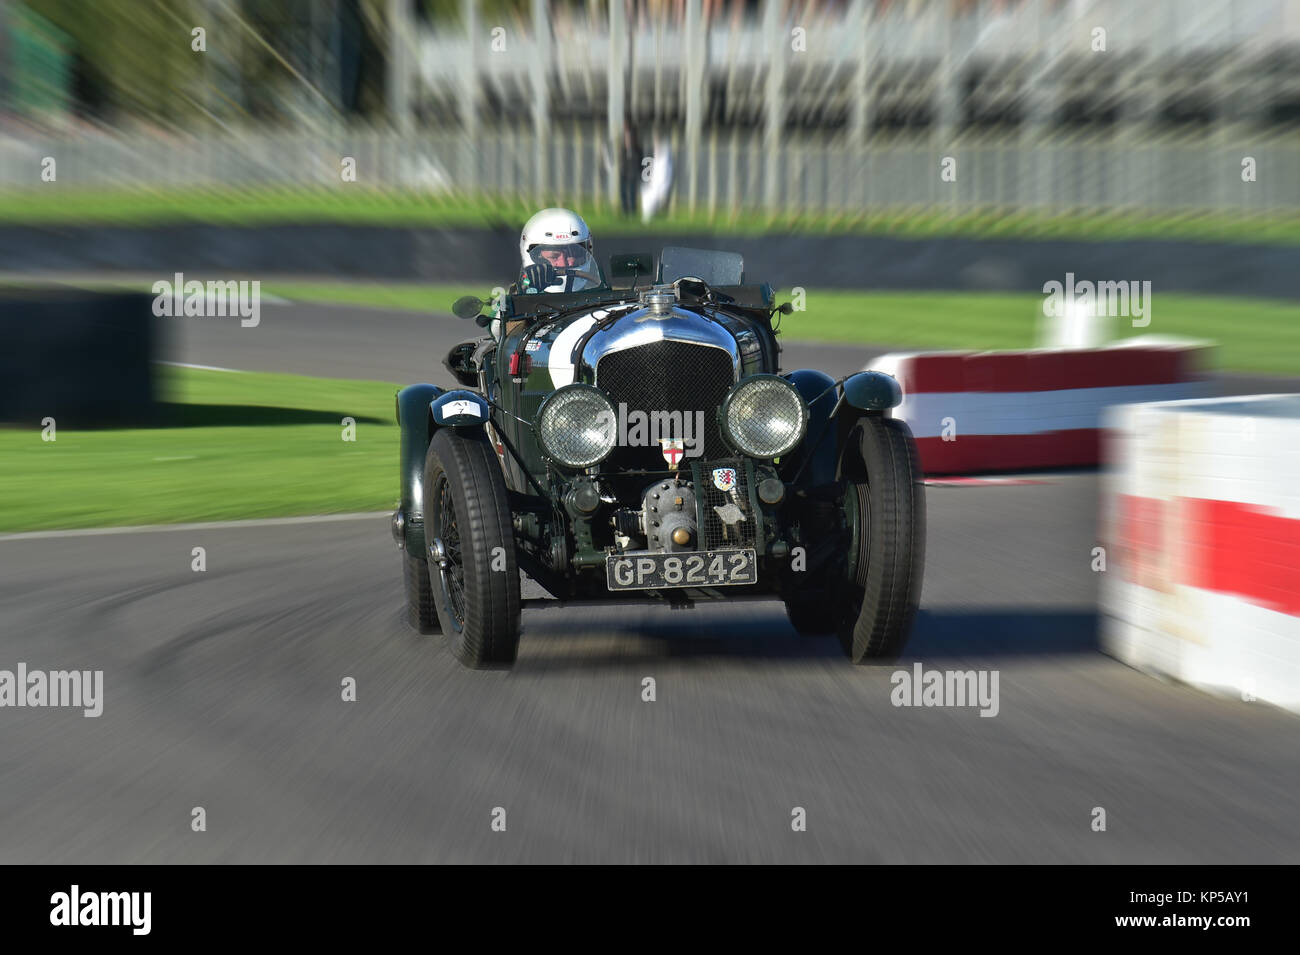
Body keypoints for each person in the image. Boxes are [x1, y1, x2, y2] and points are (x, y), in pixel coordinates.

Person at [516, 208, 601, 294]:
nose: (563, 263)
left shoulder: (602, 298)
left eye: (573, 254)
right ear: (535, 255)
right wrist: (526, 288)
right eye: (554, 257)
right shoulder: (513, 304)